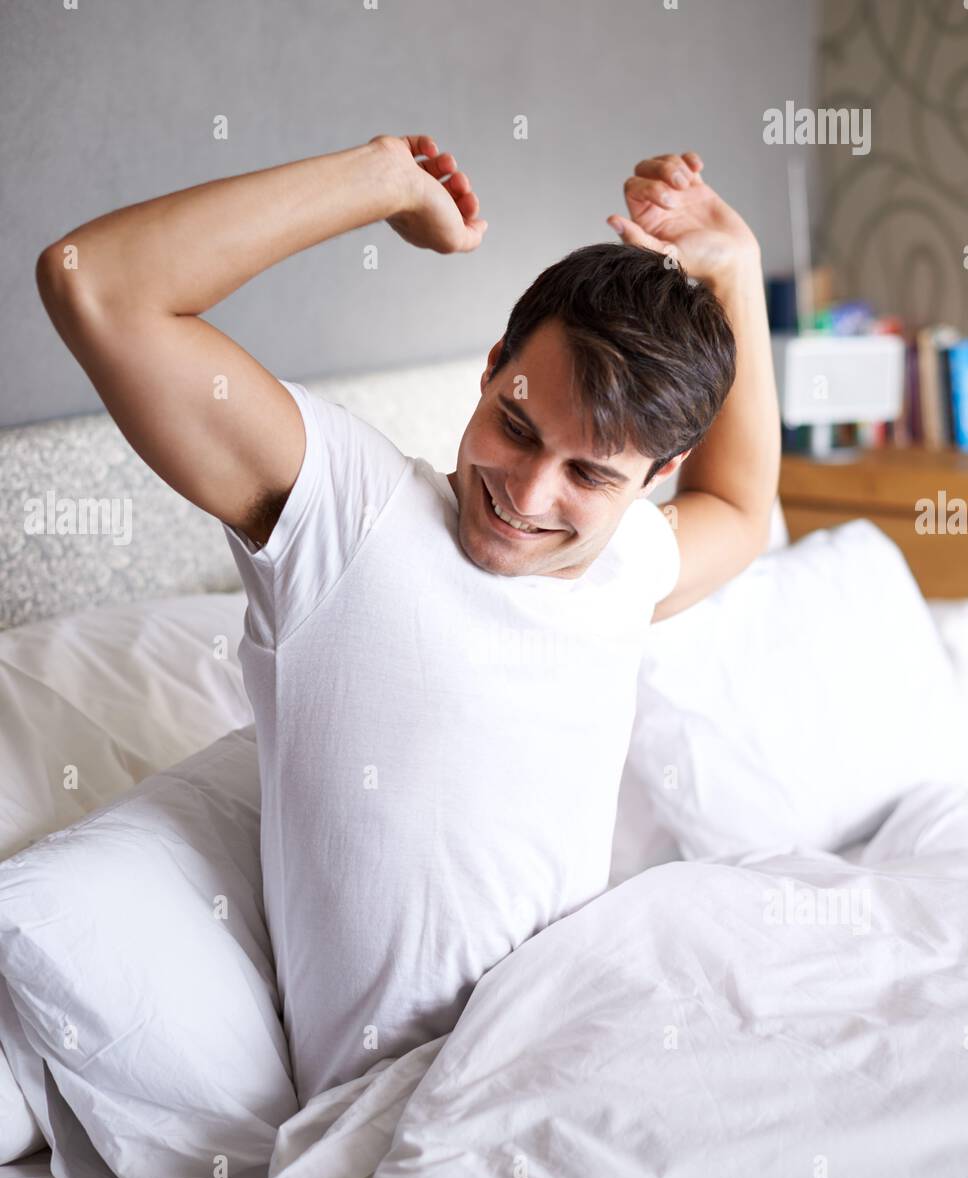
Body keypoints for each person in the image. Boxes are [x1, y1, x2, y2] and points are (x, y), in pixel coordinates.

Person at [36, 134, 780, 1104]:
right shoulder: (352, 517)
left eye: (591, 474)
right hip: (413, 1115)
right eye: (517, 424)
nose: (527, 490)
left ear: (656, 476)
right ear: (491, 369)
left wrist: (740, 267)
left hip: (583, 1056)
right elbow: (93, 282)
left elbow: (744, 508)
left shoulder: (627, 566)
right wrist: (378, 179)